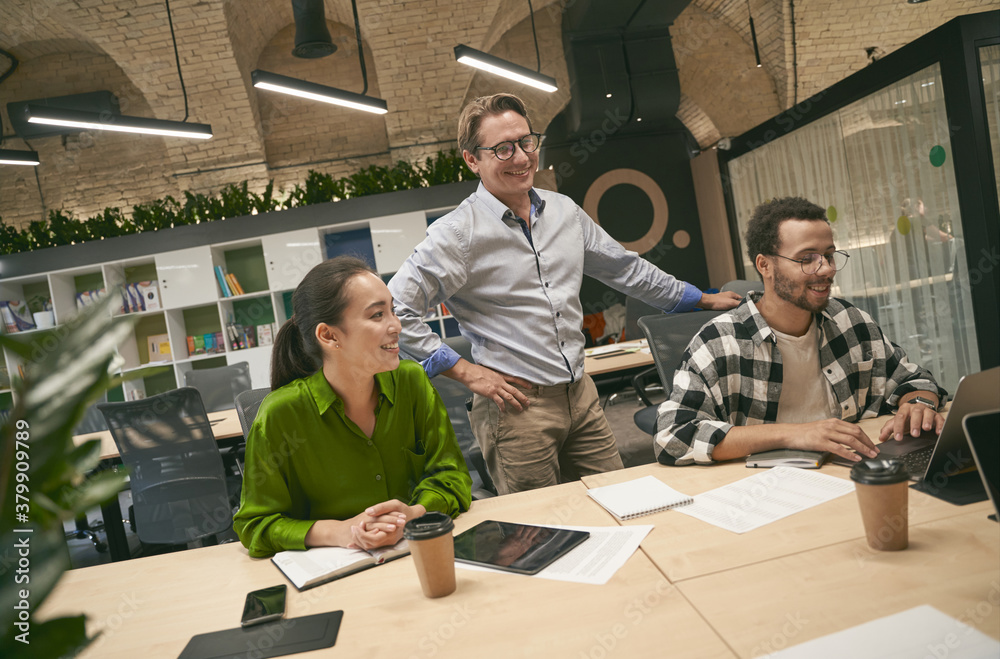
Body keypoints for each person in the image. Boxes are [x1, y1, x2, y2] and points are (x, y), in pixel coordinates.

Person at [387, 92, 740, 494]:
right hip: (517, 409)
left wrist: (700, 299)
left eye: (525, 141)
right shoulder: (457, 235)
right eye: (502, 148)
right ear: (472, 159)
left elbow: (625, 269)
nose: (521, 157)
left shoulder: (563, 212)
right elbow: (394, 310)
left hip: (581, 394)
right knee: (543, 531)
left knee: (624, 502)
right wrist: (466, 372)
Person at [655, 196, 947, 466]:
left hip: (850, 471)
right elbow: (673, 436)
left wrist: (919, 403)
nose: (826, 269)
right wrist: (793, 434)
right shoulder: (719, 342)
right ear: (765, 265)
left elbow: (914, 378)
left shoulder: (849, 321)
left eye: (829, 255)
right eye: (807, 259)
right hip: (765, 490)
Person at [234, 257, 472, 558]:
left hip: (416, 553)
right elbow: (255, 524)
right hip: (332, 572)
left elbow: (453, 477)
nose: (396, 325)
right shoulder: (280, 414)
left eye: (392, 311)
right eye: (377, 315)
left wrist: (411, 514)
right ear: (329, 335)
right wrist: (340, 531)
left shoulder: (412, 382)